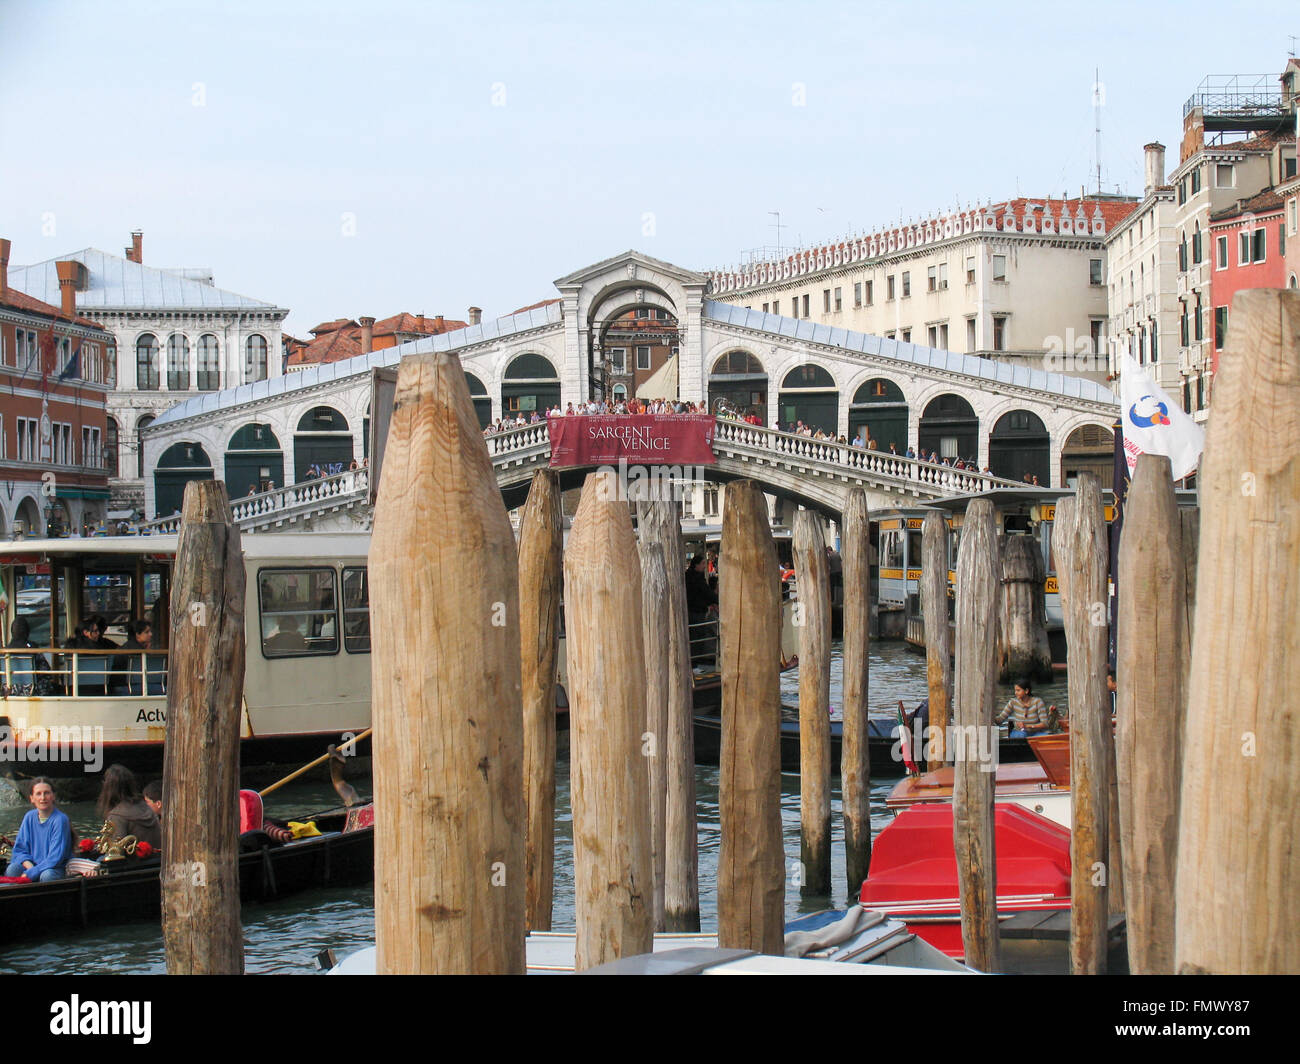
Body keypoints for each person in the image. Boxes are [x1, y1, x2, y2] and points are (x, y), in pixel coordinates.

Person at [4, 778, 73, 882]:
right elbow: (19, 850)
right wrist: (31, 868)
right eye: (38, 794)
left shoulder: (60, 820)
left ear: (53, 796)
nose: (43, 798)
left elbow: (55, 858)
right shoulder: (29, 817)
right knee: (12, 869)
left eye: (47, 793)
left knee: (47, 875)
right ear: (32, 798)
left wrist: (32, 873)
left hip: (54, 868)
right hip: (32, 866)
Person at [96, 764, 162, 851]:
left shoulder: (117, 815)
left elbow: (115, 852)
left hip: (134, 863)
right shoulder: (146, 808)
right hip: (155, 859)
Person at [111, 619, 154, 695]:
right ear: (137, 634)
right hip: (125, 685)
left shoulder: (131, 646)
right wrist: (147, 651)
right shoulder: (136, 649)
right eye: (147, 632)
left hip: (128, 684)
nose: (151, 634)